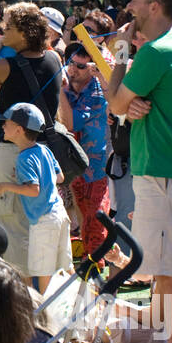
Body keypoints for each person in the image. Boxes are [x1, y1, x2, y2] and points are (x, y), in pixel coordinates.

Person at [96, 0, 172, 343]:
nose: (130, 5)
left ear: (154, 6)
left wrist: (122, 54)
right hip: (163, 170)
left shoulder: (157, 50)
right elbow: (124, 103)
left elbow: (114, 101)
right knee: (163, 270)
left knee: (171, 274)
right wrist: (128, 104)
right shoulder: (171, 46)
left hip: (165, 172)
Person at [0, 103, 69, 293]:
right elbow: (60, 178)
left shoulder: (24, 158)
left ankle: (43, 315)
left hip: (43, 221)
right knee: (64, 268)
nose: (2, 127)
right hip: (60, 214)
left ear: (19, 130)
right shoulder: (44, 150)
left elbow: (33, 190)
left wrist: (6, 186)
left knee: (42, 272)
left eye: (6, 124)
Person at [63, 42, 111, 252]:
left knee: (95, 217)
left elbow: (72, 122)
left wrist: (57, 91)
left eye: (81, 66)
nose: (73, 69)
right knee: (82, 217)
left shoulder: (97, 92)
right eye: (71, 63)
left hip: (93, 166)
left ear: (92, 69)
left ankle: (97, 265)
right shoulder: (67, 87)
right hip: (69, 164)